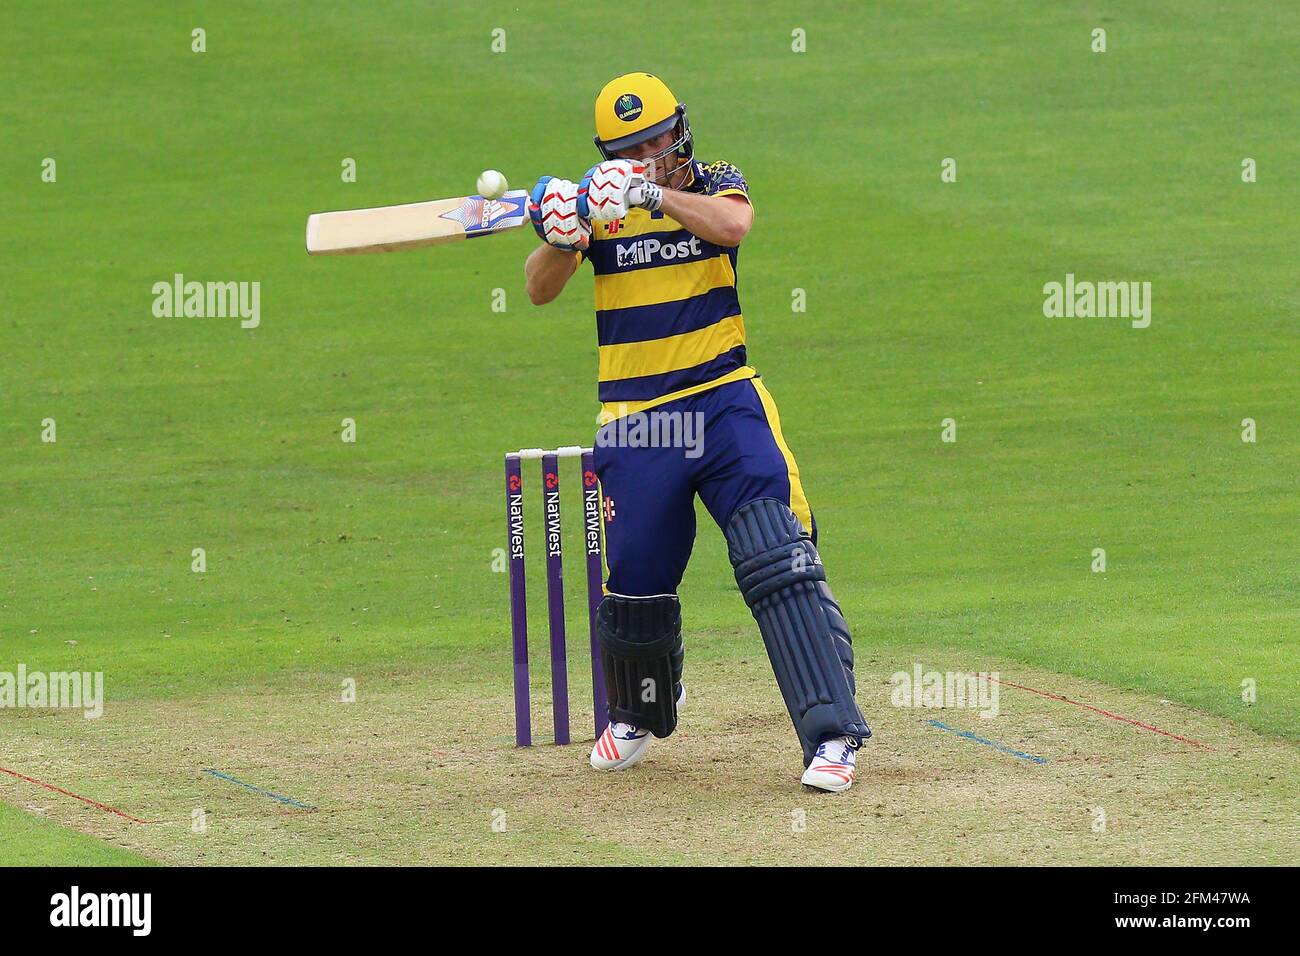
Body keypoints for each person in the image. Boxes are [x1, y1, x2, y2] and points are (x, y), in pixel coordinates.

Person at [524, 72, 871, 792]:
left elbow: (733, 227)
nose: (650, 153)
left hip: (721, 402)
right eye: (633, 149)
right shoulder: (599, 208)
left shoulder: (715, 182)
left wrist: (651, 194)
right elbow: (539, 287)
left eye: (657, 139)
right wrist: (562, 233)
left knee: (777, 558)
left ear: (679, 130)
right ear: (608, 150)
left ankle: (833, 735)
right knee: (638, 579)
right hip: (637, 421)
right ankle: (643, 709)